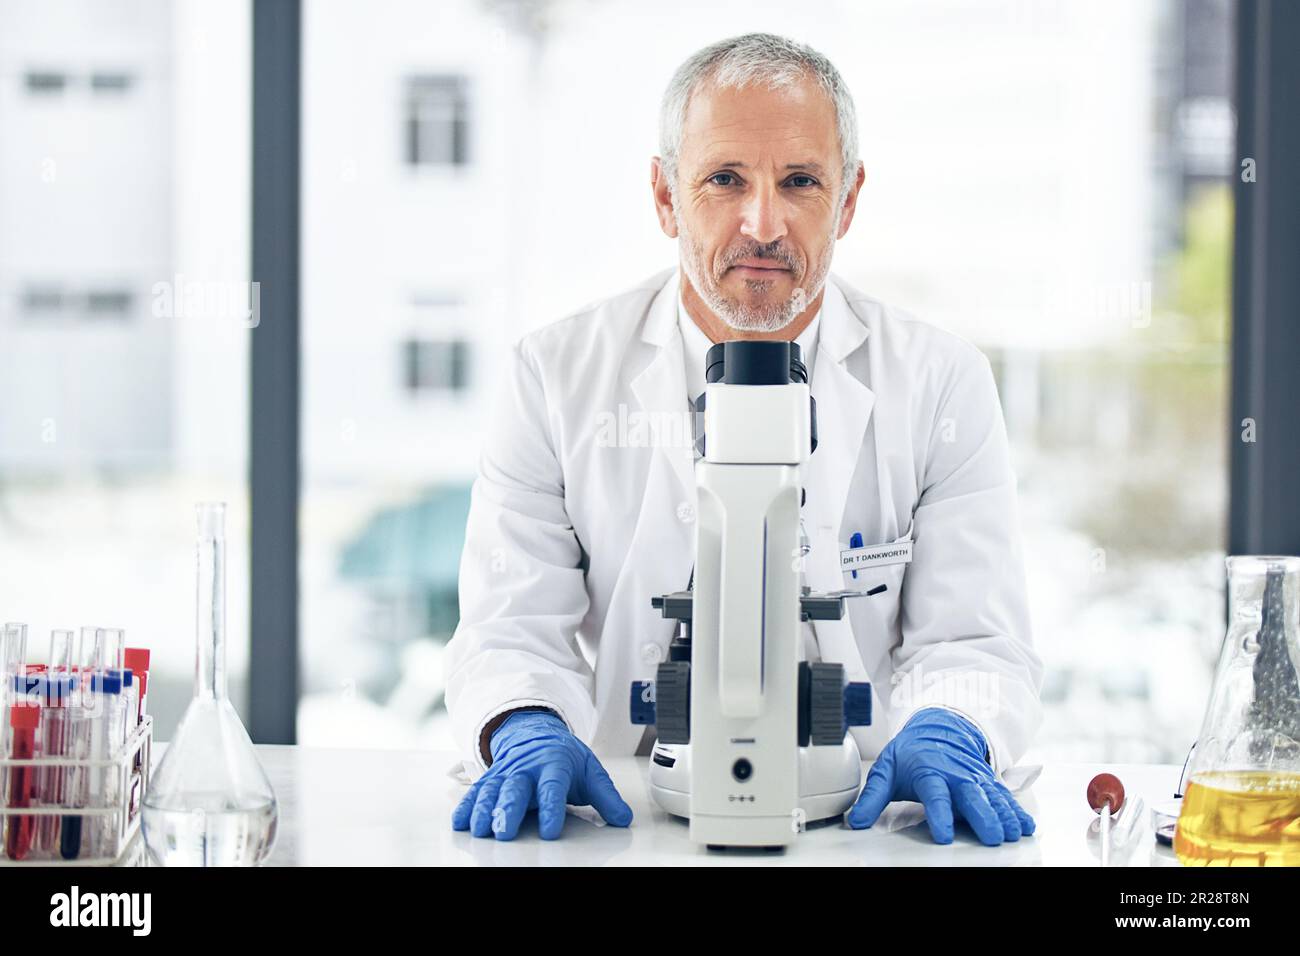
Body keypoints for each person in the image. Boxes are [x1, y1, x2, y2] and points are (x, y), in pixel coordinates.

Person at [447, 32, 1043, 845]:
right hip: (626, 817)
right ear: (665, 197)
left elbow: (973, 637)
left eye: (800, 181)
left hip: (871, 818)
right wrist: (523, 721)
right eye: (725, 179)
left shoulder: (941, 382)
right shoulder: (554, 377)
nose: (763, 223)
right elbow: (510, 628)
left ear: (849, 200)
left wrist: (953, 727)